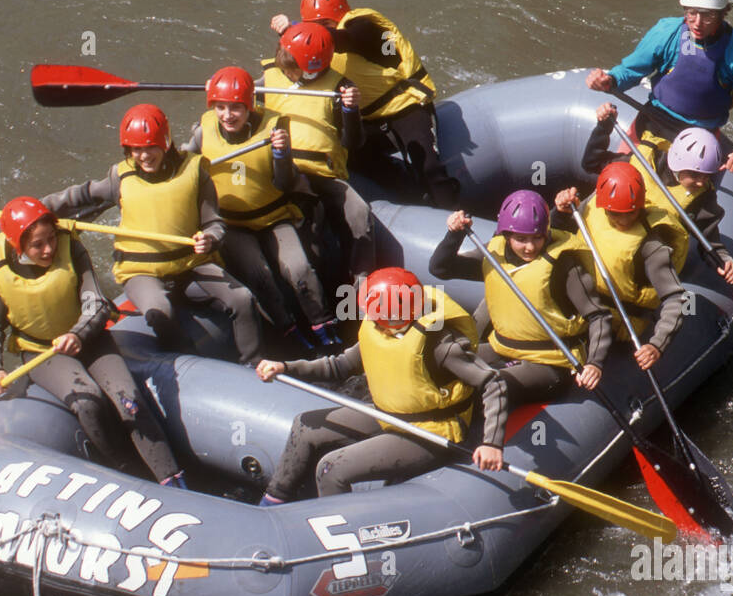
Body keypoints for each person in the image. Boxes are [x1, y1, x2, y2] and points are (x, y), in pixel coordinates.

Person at [254, 267, 508, 504]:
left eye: (377, 314)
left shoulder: (441, 345)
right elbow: (339, 366)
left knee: (330, 468)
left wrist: (492, 443)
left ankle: (341, 538)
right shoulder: (380, 327)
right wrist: (286, 367)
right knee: (304, 426)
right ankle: (271, 505)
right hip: (388, 414)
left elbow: (492, 382)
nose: (371, 320)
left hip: (430, 433)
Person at [0, 197, 185, 487]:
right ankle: (132, 476)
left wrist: (78, 333)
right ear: (19, 246)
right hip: (43, 352)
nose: (49, 249)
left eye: (51, 239)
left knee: (129, 401)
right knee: (88, 402)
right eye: (38, 245)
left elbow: (97, 303)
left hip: (91, 338)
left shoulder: (72, 248)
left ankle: (172, 479)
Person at [40, 103, 264, 364]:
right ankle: (184, 364)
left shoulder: (194, 171)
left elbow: (214, 223)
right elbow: (79, 195)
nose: (144, 155)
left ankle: (255, 364)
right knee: (160, 313)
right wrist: (39, 207)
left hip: (191, 266)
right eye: (136, 149)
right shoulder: (119, 177)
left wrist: (210, 239)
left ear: (166, 143)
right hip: (141, 273)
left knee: (242, 299)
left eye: (150, 147)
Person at [184, 65, 341, 351]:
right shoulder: (203, 131)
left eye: (235, 108)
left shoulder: (274, 128)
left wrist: (282, 154)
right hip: (231, 225)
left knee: (300, 269)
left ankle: (325, 327)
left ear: (250, 106)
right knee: (261, 276)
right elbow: (183, 167)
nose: (227, 115)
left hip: (274, 216)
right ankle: (290, 332)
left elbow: (284, 182)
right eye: (220, 107)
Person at [271, 0, 460, 208]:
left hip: (406, 106)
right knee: (354, 158)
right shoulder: (323, 46)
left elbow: (344, 39)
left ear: (340, 15)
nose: (318, 32)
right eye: (315, 27)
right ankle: (409, 191)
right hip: (370, 118)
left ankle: (451, 212)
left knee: (427, 166)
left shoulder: (365, 26)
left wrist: (294, 28)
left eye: (324, 24)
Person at [585, 0, 733, 176]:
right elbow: (631, 70)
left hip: (699, 138)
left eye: (708, 15)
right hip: (652, 119)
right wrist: (611, 79)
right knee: (621, 179)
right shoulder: (667, 32)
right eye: (692, 12)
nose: (697, 22)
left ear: (723, 13)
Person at [428, 190, 611, 404]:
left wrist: (594, 363)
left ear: (547, 233)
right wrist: (454, 234)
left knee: (487, 385)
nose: (530, 247)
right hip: (503, 349)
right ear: (506, 235)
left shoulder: (564, 266)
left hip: (550, 364)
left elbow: (599, 316)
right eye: (521, 239)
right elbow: (441, 269)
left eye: (537, 238)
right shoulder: (494, 254)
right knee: (437, 366)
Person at [261, 22, 375, 283]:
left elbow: (353, 142)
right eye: (286, 70)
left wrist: (350, 111)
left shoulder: (341, 88)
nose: (288, 75)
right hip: (280, 170)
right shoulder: (271, 76)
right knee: (310, 225)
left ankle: (361, 283)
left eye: (293, 71)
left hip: (323, 174)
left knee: (359, 215)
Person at [577, 102, 733, 284]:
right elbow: (591, 162)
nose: (701, 182)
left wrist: (724, 260)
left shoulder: (701, 199)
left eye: (706, 176)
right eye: (694, 174)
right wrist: (604, 127)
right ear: (677, 163)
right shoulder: (640, 161)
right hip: (599, 240)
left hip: (638, 266)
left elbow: (709, 241)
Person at [552, 163, 688, 372]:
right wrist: (561, 212)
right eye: (615, 214)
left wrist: (657, 344)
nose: (623, 220)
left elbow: (676, 298)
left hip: (616, 322)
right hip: (578, 303)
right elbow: (556, 237)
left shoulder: (652, 245)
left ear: (640, 205)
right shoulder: (592, 205)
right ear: (604, 205)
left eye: (631, 212)